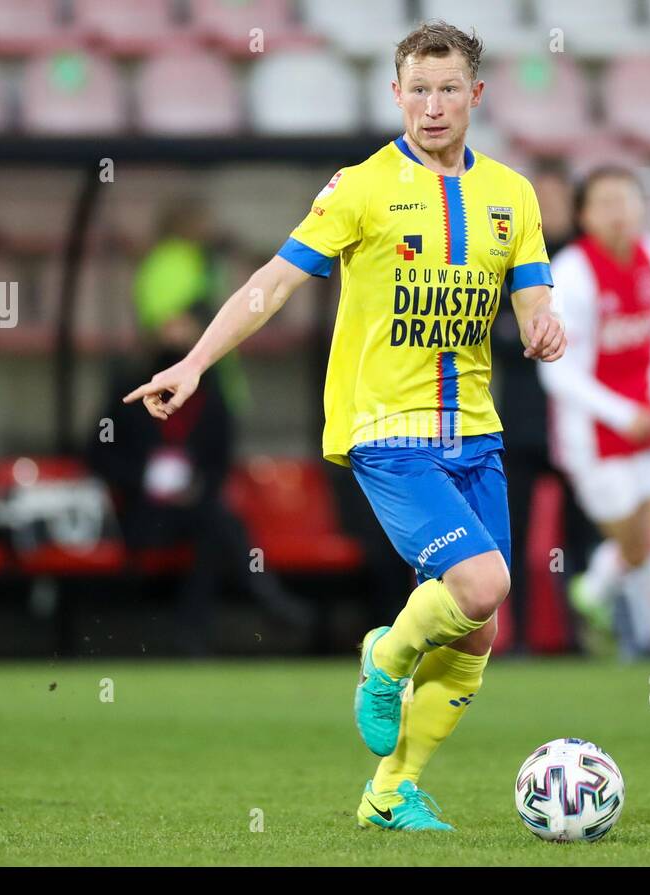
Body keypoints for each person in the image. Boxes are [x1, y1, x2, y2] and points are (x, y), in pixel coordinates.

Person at [124, 20, 565, 831]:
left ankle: (391, 791)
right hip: (386, 429)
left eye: (448, 89)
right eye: (418, 90)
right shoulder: (360, 188)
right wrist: (193, 362)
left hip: (474, 431)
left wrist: (543, 321)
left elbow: (532, 289)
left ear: (476, 94)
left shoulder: (514, 195)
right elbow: (273, 283)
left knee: (476, 633)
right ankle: (384, 656)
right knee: (484, 586)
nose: (432, 106)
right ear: (396, 95)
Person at [92, 213, 311, 655]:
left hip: (192, 508)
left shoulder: (210, 394)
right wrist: (145, 479)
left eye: (188, 324)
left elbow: (218, 457)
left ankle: (197, 635)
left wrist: (193, 487)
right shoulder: (128, 386)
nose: (178, 331)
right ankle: (263, 600)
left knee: (215, 525)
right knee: (218, 526)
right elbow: (98, 452)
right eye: (172, 323)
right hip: (140, 510)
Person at [537, 166, 650, 680]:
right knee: (634, 544)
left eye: (627, 200)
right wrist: (620, 414)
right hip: (592, 433)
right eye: (605, 202)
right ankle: (593, 590)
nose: (619, 211)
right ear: (584, 215)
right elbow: (557, 370)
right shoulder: (570, 273)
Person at [491, 160, 597, 655]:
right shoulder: (512, 260)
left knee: (581, 536)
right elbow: (492, 335)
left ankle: (583, 636)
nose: (550, 209)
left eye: (558, 200)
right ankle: (520, 640)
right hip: (524, 421)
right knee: (512, 535)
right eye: (543, 201)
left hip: (577, 420)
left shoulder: (584, 263)